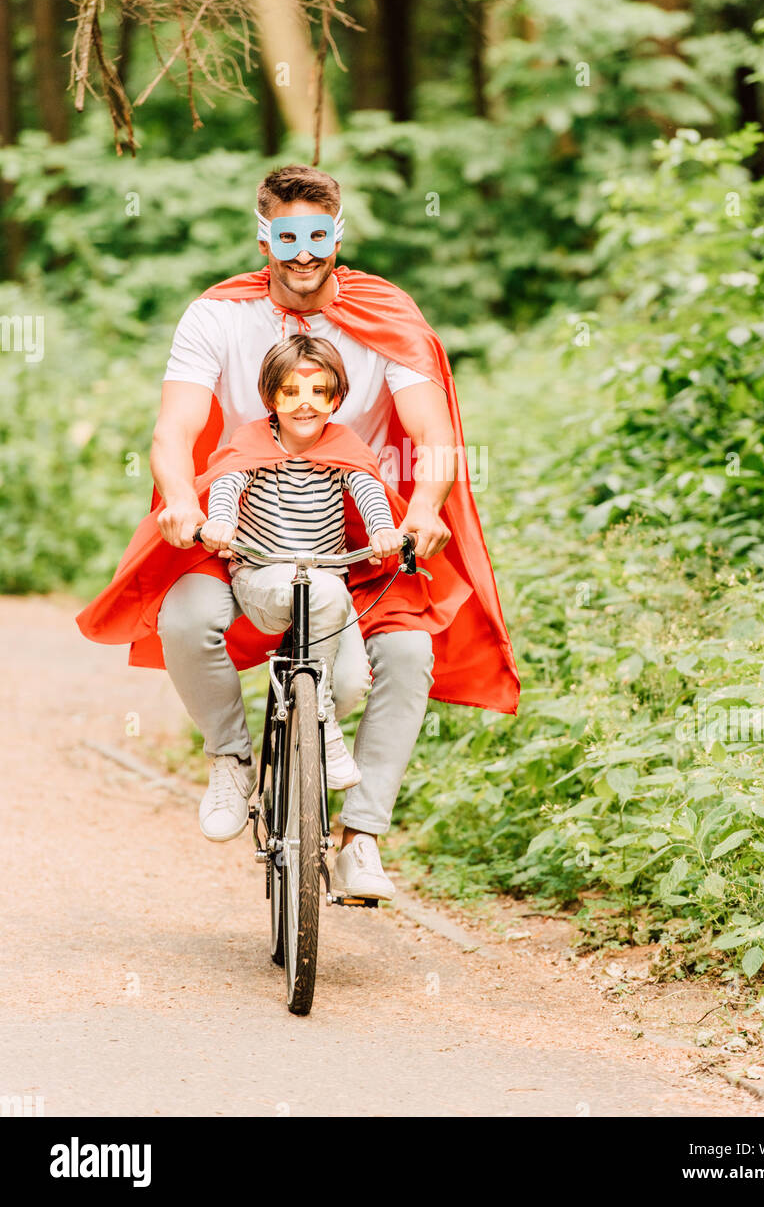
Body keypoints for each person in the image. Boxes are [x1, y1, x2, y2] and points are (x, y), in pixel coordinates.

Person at [77, 163, 520, 902]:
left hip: (356, 529)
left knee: (407, 656)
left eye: (318, 236)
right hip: (241, 521)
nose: (304, 254)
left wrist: (424, 507)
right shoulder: (216, 316)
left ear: (338, 234)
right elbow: (174, 428)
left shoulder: (385, 315)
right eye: (288, 237)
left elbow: (432, 432)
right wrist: (183, 499)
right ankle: (229, 758)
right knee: (187, 620)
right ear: (264, 237)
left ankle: (362, 837)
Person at [198, 334, 404, 854]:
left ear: (336, 398)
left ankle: (314, 721)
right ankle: (322, 730)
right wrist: (220, 520)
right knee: (323, 596)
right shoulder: (251, 442)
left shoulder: (343, 446)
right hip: (264, 579)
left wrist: (383, 531)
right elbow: (226, 482)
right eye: (289, 392)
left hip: (327, 580)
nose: (304, 402)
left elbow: (368, 490)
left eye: (318, 391)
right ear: (271, 398)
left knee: (355, 680)